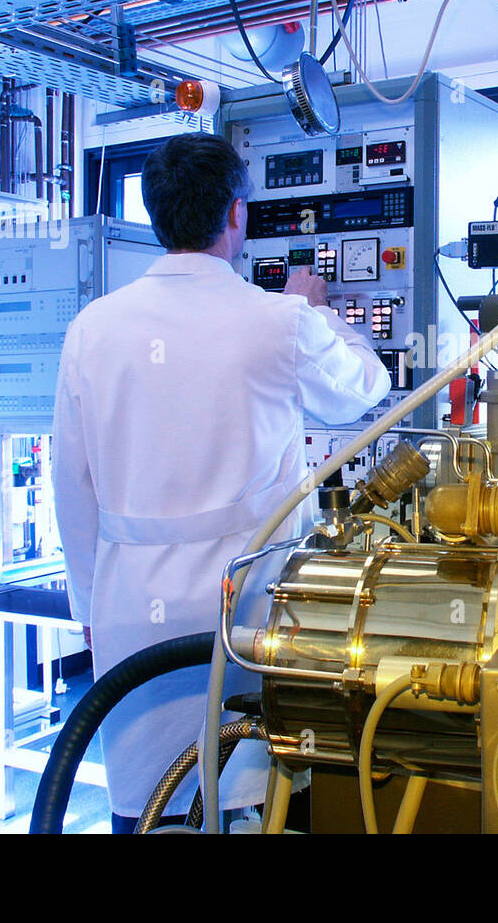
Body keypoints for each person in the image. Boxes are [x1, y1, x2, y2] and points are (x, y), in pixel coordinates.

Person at [52, 132, 391, 833]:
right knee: (246, 798)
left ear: (155, 216)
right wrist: (316, 307)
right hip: (241, 610)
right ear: (236, 214)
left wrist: (89, 599)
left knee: (148, 806)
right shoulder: (277, 322)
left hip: (129, 609)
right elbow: (367, 387)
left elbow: (72, 483)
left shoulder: (93, 328)